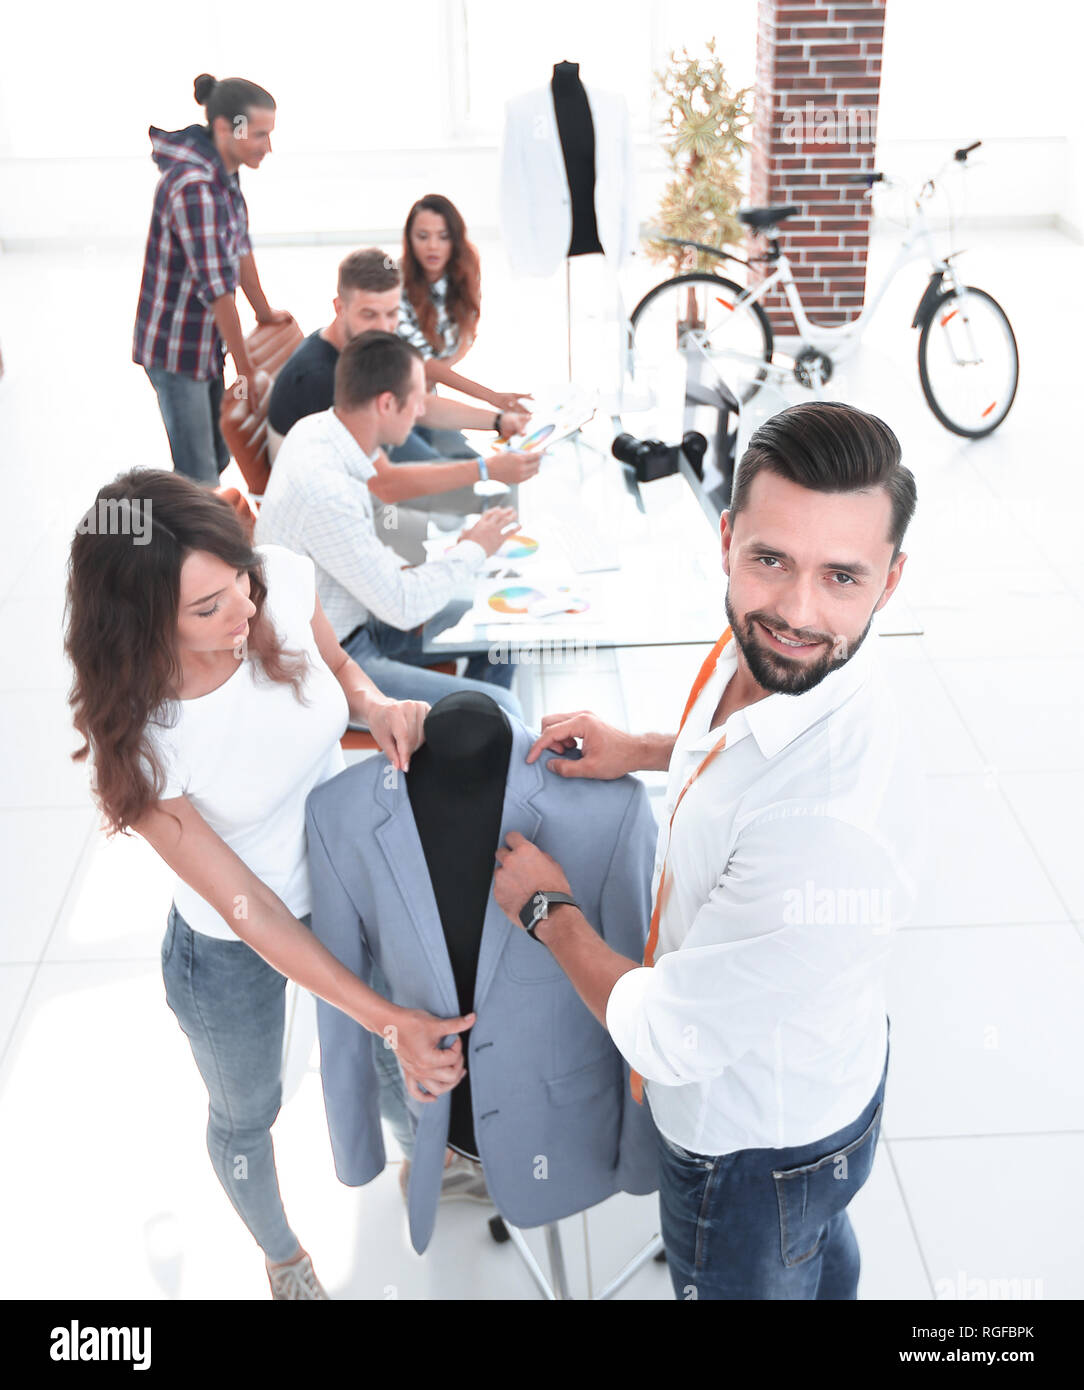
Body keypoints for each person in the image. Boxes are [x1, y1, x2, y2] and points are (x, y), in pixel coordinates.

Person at [492, 401, 926, 1300]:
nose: (796, 612)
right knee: (818, 1257)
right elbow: (738, 753)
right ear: (726, 538)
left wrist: (549, 913)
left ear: (890, 581)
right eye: (771, 559)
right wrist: (645, 747)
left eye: (841, 577)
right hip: (826, 1080)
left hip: (751, 1151)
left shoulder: (825, 835)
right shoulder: (789, 651)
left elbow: (668, 1034)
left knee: (782, 1259)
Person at [64, 471, 476, 1298]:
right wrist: (382, 1013)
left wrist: (376, 703)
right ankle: (284, 1255)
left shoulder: (276, 578)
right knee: (249, 1112)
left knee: (395, 1046)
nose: (246, 611)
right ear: (144, 627)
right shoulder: (146, 740)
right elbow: (249, 910)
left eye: (238, 581)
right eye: (207, 608)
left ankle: (421, 1162)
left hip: (341, 879)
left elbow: (337, 667)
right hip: (232, 941)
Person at [255, 331, 524, 717]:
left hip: (363, 614)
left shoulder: (319, 428)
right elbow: (404, 605)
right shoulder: (325, 491)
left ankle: (472, 739)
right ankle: (477, 725)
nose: (420, 413)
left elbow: (385, 515)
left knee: (502, 629)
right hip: (335, 661)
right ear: (385, 403)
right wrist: (475, 546)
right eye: (417, 401)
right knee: (505, 708)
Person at [133, 73, 293, 486]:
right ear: (225, 127)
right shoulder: (195, 187)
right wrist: (245, 370)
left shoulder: (225, 170)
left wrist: (264, 312)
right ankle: (185, 545)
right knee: (198, 473)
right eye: (260, 135)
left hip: (204, 344)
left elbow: (240, 249)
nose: (268, 146)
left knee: (217, 455)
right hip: (175, 351)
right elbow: (219, 290)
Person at [268, 247, 532, 473]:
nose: (384, 328)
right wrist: (482, 472)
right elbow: (386, 478)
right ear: (340, 308)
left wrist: (497, 420)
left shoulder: (361, 347)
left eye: (392, 313)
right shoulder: (320, 378)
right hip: (342, 489)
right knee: (474, 485)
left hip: (375, 455)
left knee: (468, 458)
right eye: (369, 315)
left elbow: (419, 404)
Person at [399, 194, 531, 457]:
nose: (432, 246)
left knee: (478, 461)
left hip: (427, 399)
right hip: (393, 402)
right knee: (450, 471)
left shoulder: (463, 275)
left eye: (443, 236)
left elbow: (463, 342)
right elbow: (423, 363)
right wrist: (493, 397)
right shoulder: (395, 281)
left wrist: (430, 375)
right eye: (423, 236)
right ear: (410, 240)